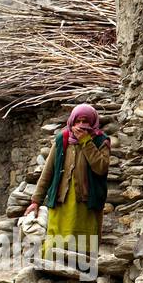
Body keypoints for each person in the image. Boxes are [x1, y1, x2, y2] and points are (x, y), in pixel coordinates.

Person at [25, 104, 111, 270]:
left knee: (82, 245)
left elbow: (101, 167)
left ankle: (82, 274)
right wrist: (36, 200)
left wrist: (86, 141)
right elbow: (48, 172)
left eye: (85, 121)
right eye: (77, 121)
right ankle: (51, 273)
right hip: (61, 200)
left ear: (92, 122)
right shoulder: (62, 139)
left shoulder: (101, 140)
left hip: (87, 203)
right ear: (71, 121)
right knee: (55, 242)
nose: (80, 125)